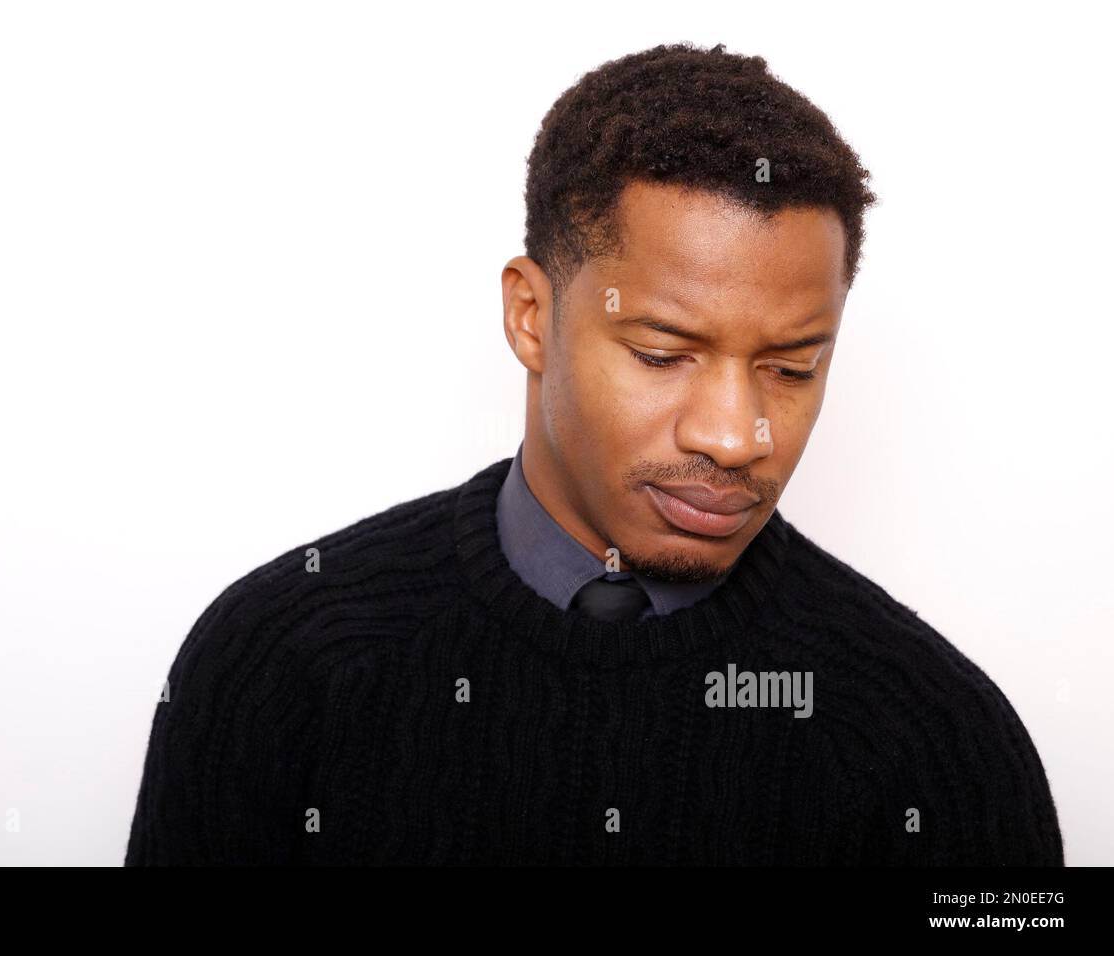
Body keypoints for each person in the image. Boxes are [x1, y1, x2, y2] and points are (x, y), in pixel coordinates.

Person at [125, 42, 1063, 866]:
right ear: (531, 317)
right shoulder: (278, 668)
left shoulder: (934, 745)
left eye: (790, 367)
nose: (737, 437)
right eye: (662, 355)